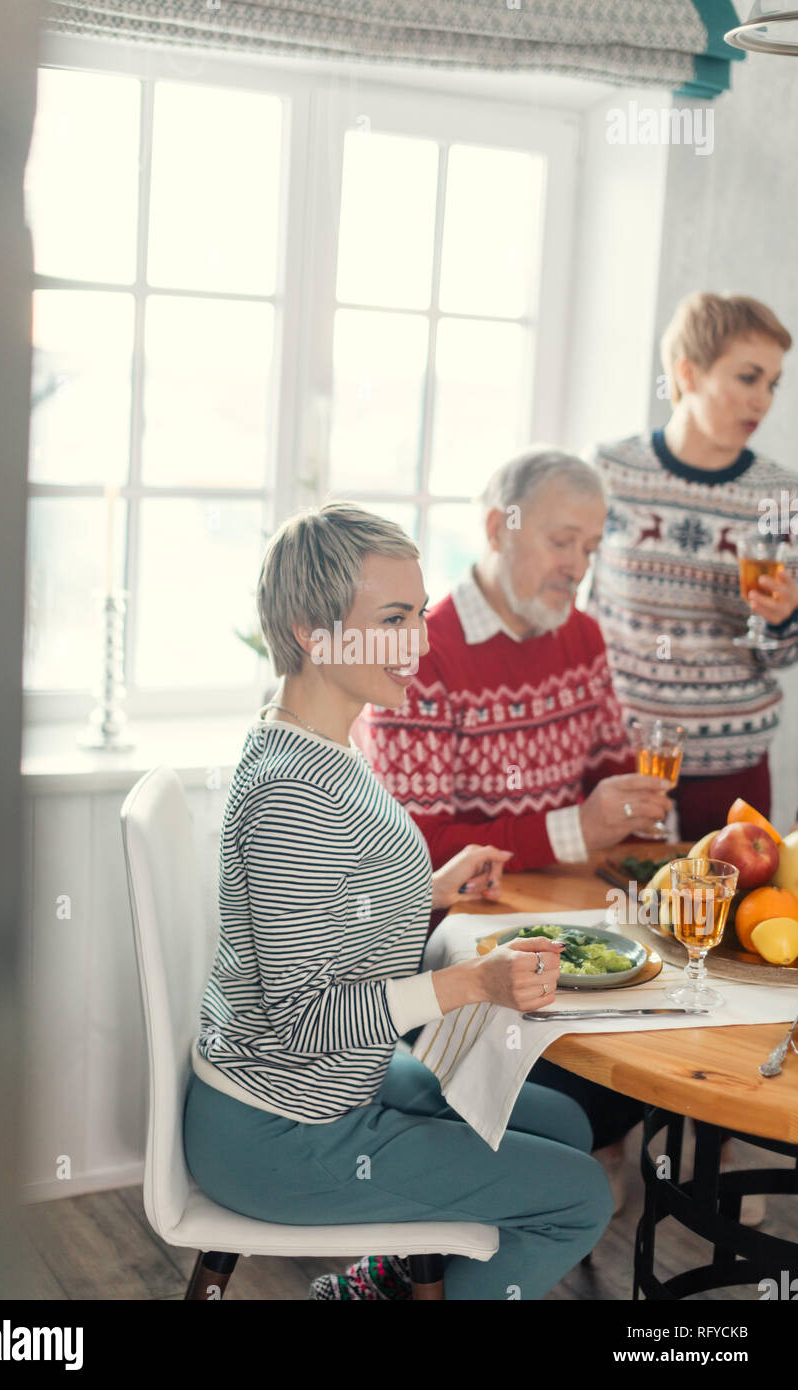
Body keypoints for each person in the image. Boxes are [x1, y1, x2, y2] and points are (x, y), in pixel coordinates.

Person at [182, 502, 612, 1302]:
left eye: (418, 613)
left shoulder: (319, 743)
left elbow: (330, 906)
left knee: (566, 1127)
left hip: (334, 1090)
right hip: (283, 1135)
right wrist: (474, 984)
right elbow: (304, 1022)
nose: (418, 640)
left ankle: (389, 1278)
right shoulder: (290, 796)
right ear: (316, 634)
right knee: (581, 1196)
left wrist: (429, 888)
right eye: (392, 618)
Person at [353, 448, 673, 876]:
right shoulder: (418, 656)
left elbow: (616, 788)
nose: (577, 568)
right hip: (467, 921)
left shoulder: (585, 637)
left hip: (566, 900)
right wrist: (576, 829)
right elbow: (415, 850)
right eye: (561, 542)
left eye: (590, 549)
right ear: (498, 529)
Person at [586, 292, 798, 843]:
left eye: (773, 383)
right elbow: (574, 607)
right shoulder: (611, 470)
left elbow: (782, 655)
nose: (764, 400)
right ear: (688, 372)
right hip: (621, 757)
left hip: (733, 760)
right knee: (611, 917)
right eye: (748, 377)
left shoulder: (781, 493)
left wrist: (781, 621)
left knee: (724, 923)